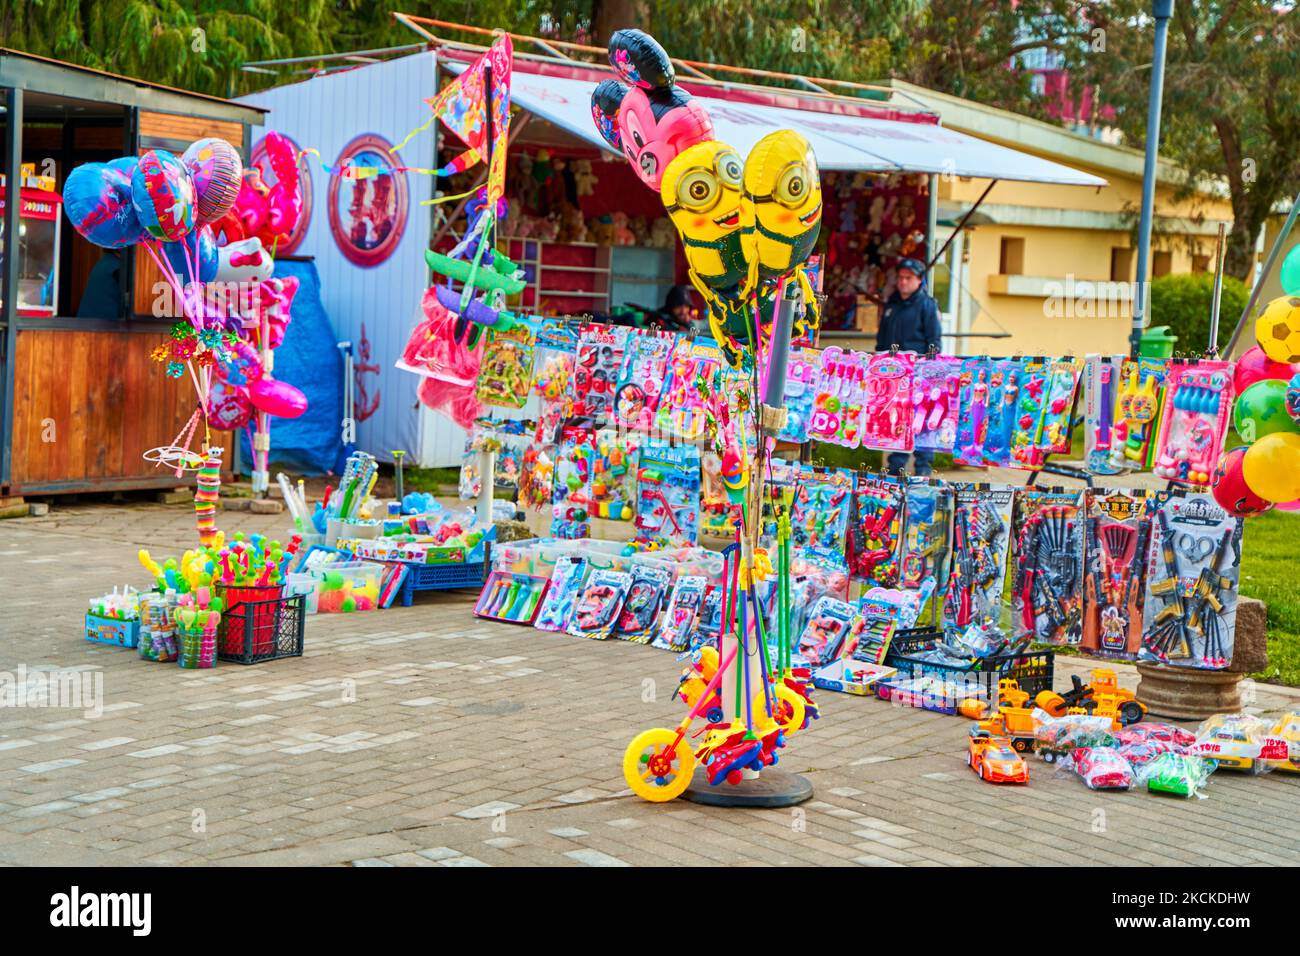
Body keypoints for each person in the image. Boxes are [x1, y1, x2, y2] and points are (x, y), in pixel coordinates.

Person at [875, 257, 943, 476]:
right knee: (896, 422)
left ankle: (923, 470)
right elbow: (881, 340)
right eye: (901, 278)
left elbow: (935, 341)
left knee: (921, 423)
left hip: (920, 376)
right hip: (893, 376)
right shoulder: (891, 304)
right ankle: (896, 469)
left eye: (909, 278)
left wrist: (930, 372)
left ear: (919, 280)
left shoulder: (927, 305)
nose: (903, 282)